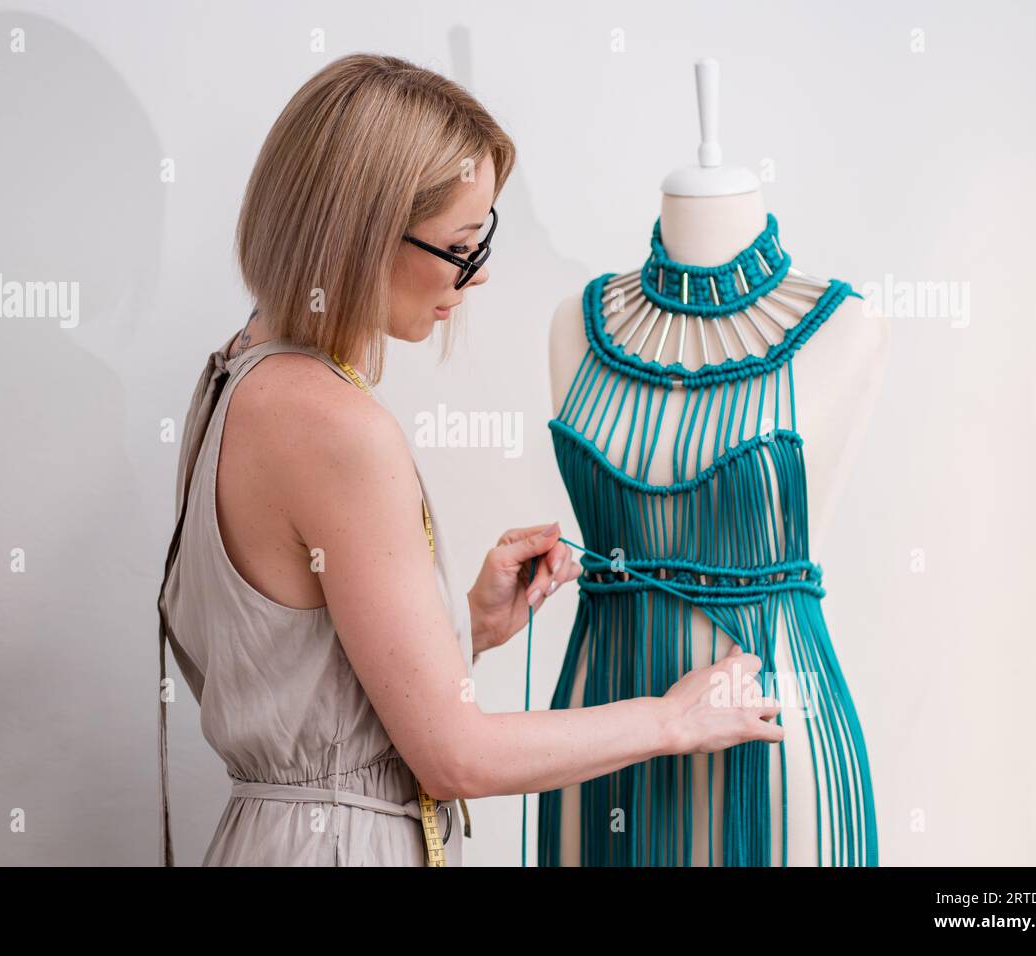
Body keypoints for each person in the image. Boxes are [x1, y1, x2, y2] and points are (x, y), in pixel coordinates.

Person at [158, 52, 783, 866]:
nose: (479, 273)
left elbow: (294, 677)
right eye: (460, 244)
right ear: (360, 234)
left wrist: (468, 629)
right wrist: (674, 718)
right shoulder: (333, 424)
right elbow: (454, 757)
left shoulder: (236, 374)